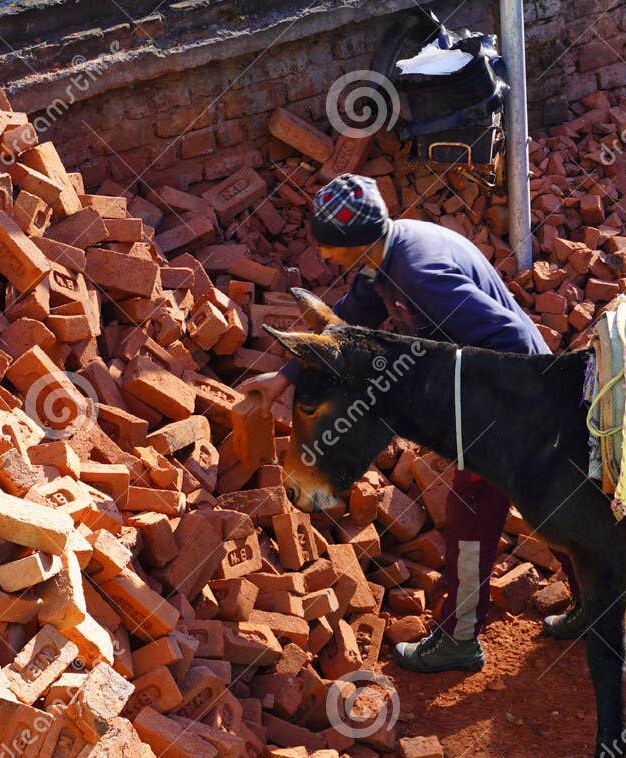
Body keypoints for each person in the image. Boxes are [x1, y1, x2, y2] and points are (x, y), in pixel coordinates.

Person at [242, 174, 580, 673]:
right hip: (508, 401)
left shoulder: (421, 274)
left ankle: (458, 639)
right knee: (549, 505)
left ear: (355, 242)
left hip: (516, 401)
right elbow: (349, 319)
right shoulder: (386, 254)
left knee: (470, 515)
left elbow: (508, 342)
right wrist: (285, 375)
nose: (327, 259)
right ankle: (601, 600)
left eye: (330, 249)